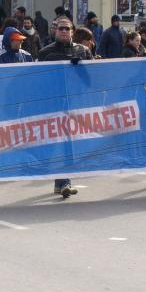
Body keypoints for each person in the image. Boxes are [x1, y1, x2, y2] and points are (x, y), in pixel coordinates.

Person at [38, 16, 92, 198]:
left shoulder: (83, 50)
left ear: (72, 31)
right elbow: (39, 80)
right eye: (60, 28)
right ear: (55, 31)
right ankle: (63, 182)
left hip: (76, 104)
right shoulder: (45, 52)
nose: (63, 31)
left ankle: (61, 182)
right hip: (54, 105)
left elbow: (92, 79)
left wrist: (80, 68)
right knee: (59, 143)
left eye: (67, 28)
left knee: (70, 144)